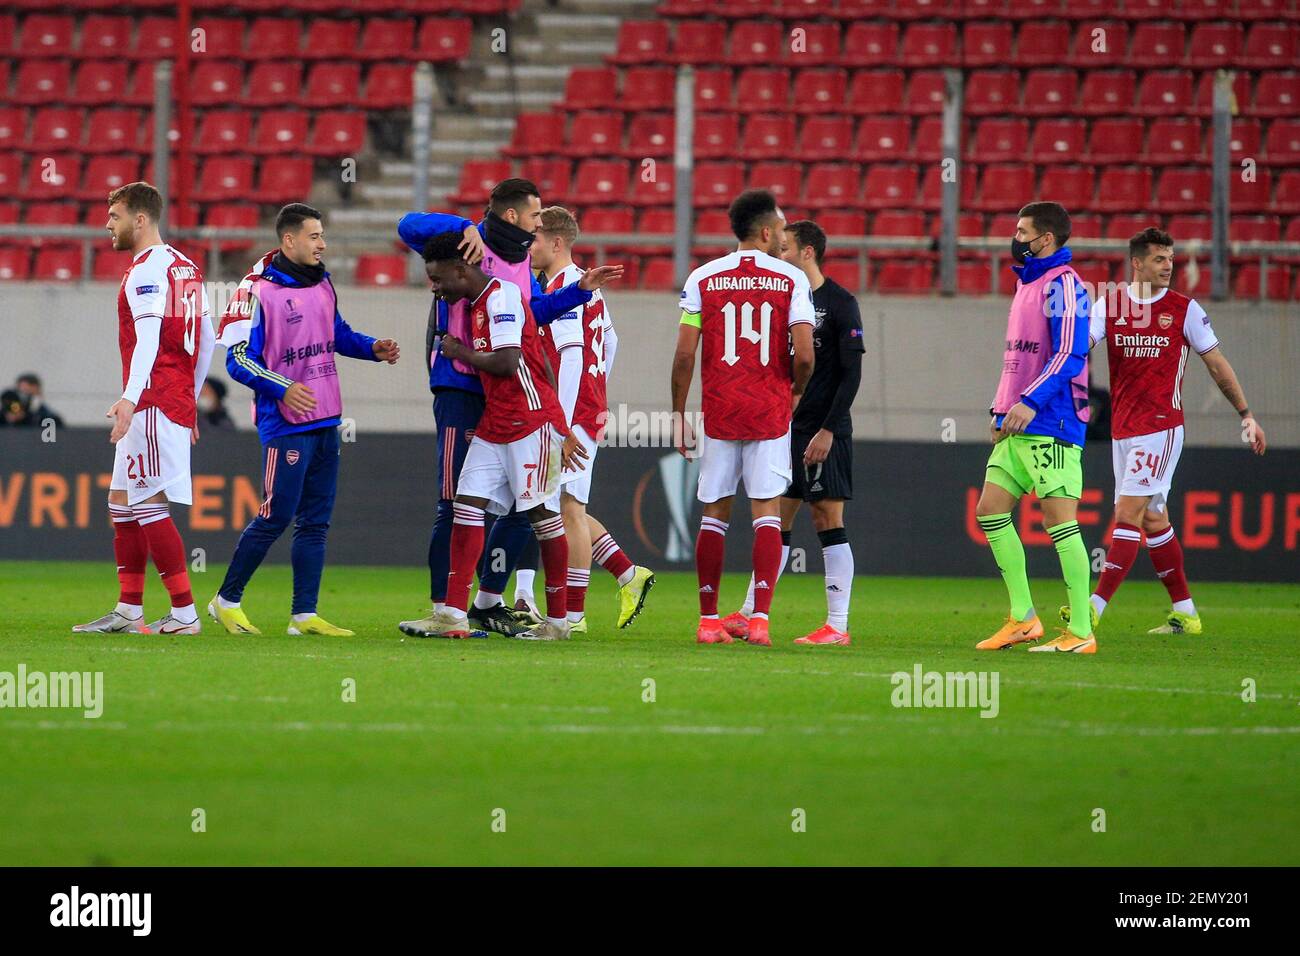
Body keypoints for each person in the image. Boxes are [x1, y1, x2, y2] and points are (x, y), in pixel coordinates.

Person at [395, 178, 622, 638]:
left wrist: (578, 291)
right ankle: (449, 610)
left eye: (438, 280)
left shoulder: (504, 285)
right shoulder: (471, 246)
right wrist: (466, 226)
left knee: (536, 511)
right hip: (472, 397)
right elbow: (406, 224)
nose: (434, 289)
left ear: (460, 273)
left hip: (521, 412)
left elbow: (514, 353)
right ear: (512, 215)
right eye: (536, 215)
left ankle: (546, 617)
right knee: (460, 505)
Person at [208, 203, 400, 636]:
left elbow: (336, 333)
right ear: (289, 240)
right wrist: (282, 387)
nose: (323, 244)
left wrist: (371, 348)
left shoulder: (323, 281)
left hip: (325, 419)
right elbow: (238, 359)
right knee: (276, 515)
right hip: (285, 422)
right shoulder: (255, 291)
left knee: (315, 521)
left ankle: (303, 615)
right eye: (314, 236)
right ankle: (226, 600)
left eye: (322, 235)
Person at [1067, 226, 1267, 636]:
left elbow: (1217, 365)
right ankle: (1186, 612)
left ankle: (1092, 609)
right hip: (1124, 428)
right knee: (1154, 519)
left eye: (1171, 260)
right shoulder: (1112, 304)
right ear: (1136, 263)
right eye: (1159, 259)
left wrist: (1246, 413)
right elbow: (1078, 348)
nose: (1168, 266)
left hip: (1160, 427)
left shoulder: (1184, 309)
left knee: (1126, 513)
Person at [671, 189, 815, 647]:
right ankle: (760, 622)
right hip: (769, 409)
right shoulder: (792, 279)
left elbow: (683, 356)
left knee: (714, 513)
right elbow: (807, 355)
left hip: (720, 410)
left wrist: (678, 413)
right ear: (768, 232)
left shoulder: (702, 277)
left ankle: (709, 621)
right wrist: (794, 390)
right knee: (766, 513)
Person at [73, 181, 215, 635]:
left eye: (114, 216)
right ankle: (129, 609)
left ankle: (184, 613)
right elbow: (207, 339)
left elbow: (150, 335)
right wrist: (190, 400)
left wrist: (132, 399)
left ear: (140, 219)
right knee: (121, 502)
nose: (107, 224)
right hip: (170, 398)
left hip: (152, 400)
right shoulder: (185, 266)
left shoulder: (147, 270)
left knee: (149, 502)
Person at [721, 219, 864, 646]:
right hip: (785, 429)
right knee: (776, 517)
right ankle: (750, 611)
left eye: (785, 249)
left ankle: (837, 626)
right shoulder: (784, 300)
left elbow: (851, 375)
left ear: (807, 253)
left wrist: (828, 429)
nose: (778, 255)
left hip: (824, 431)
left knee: (827, 518)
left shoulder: (840, 303)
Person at [974, 201, 1096, 654]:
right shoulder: (1028, 282)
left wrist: (1026, 402)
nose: (1016, 237)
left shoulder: (1066, 286)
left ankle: (1082, 631)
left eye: (1022, 231)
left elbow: (1070, 354)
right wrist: (1001, 407)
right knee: (990, 510)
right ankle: (1024, 618)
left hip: (1054, 419)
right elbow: (1019, 356)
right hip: (1019, 421)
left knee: (1059, 521)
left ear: (1045, 239)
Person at [529, 205, 655, 633]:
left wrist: (562, 427)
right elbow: (611, 343)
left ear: (557, 242)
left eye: (536, 238)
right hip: (588, 406)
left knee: (567, 509)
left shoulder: (566, 284)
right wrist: (597, 387)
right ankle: (626, 574)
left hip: (573, 413)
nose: (529, 245)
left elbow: (572, 355)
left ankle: (574, 615)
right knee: (564, 506)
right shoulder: (587, 287)